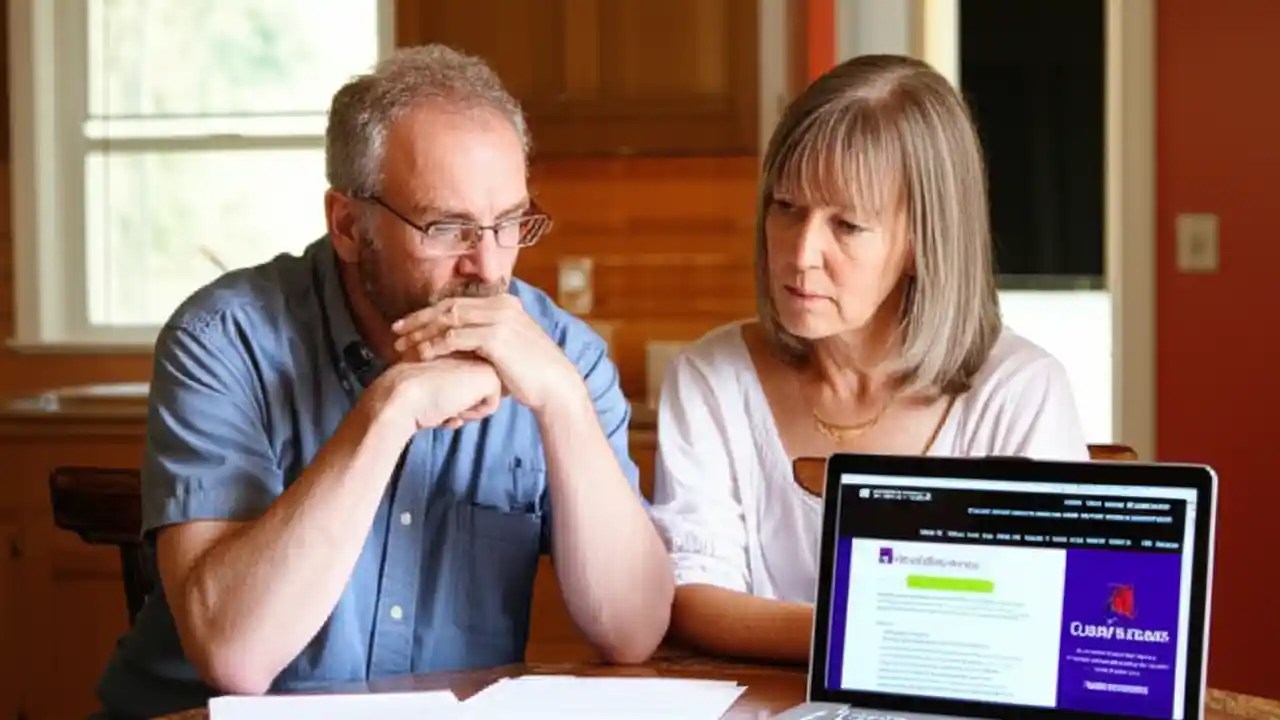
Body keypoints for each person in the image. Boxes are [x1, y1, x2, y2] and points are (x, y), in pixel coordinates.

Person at [95, 44, 673, 718]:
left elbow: (633, 633)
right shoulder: (224, 341)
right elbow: (236, 656)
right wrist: (389, 410)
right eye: (447, 227)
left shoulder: (560, 356)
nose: (488, 265)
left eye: (510, 222)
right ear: (347, 224)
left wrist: (564, 404)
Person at [647, 54, 1089, 664]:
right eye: (787, 207)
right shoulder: (710, 377)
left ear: (921, 241)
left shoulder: (1022, 391)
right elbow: (691, 596)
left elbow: (1042, 623)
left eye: (847, 225)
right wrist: (891, 635)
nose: (801, 254)